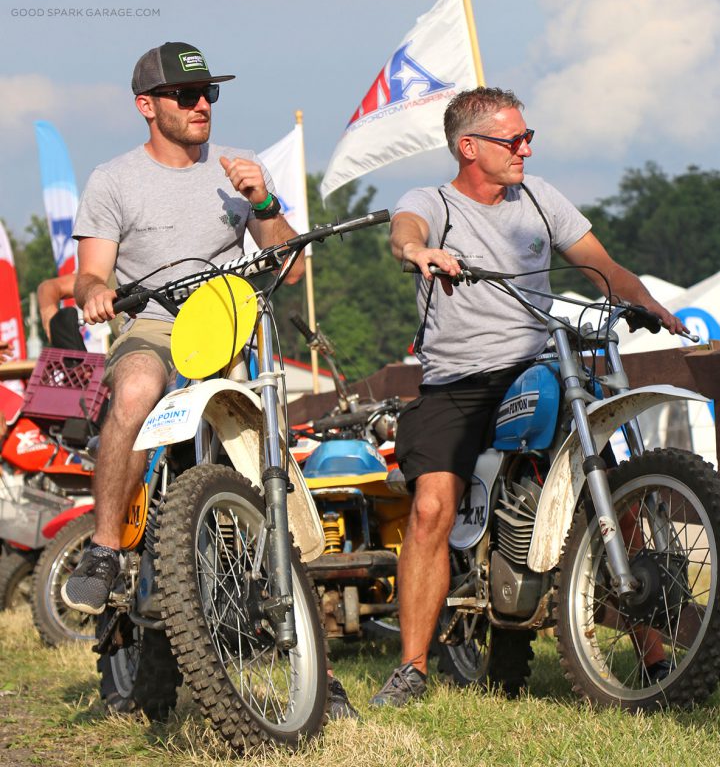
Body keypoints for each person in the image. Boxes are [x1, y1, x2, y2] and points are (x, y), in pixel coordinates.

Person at [59, 42, 356, 718]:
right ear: (147, 106)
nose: (202, 106)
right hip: (156, 330)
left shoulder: (238, 175)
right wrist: (99, 291)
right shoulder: (114, 179)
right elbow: (89, 274)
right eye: (187, 96)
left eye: (209, 94)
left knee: (271, 476)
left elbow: (291, 267)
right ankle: (105, 550)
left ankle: (312, 666)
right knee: (133, 390)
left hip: (229, 336)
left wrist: (265, 197)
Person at [370, 87, 686, 707]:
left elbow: (601, 266)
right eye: (512, 140)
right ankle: (412, 668)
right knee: (433, 507)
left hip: (540, 363)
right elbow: (404, 232)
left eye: (527, 136)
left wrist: (644, 301)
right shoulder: (430, 201)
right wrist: (419, 252)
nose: (525, 148)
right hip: (458, 381)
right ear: (468, 147)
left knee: (616, 485)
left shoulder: (541, 199)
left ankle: (656, 650)